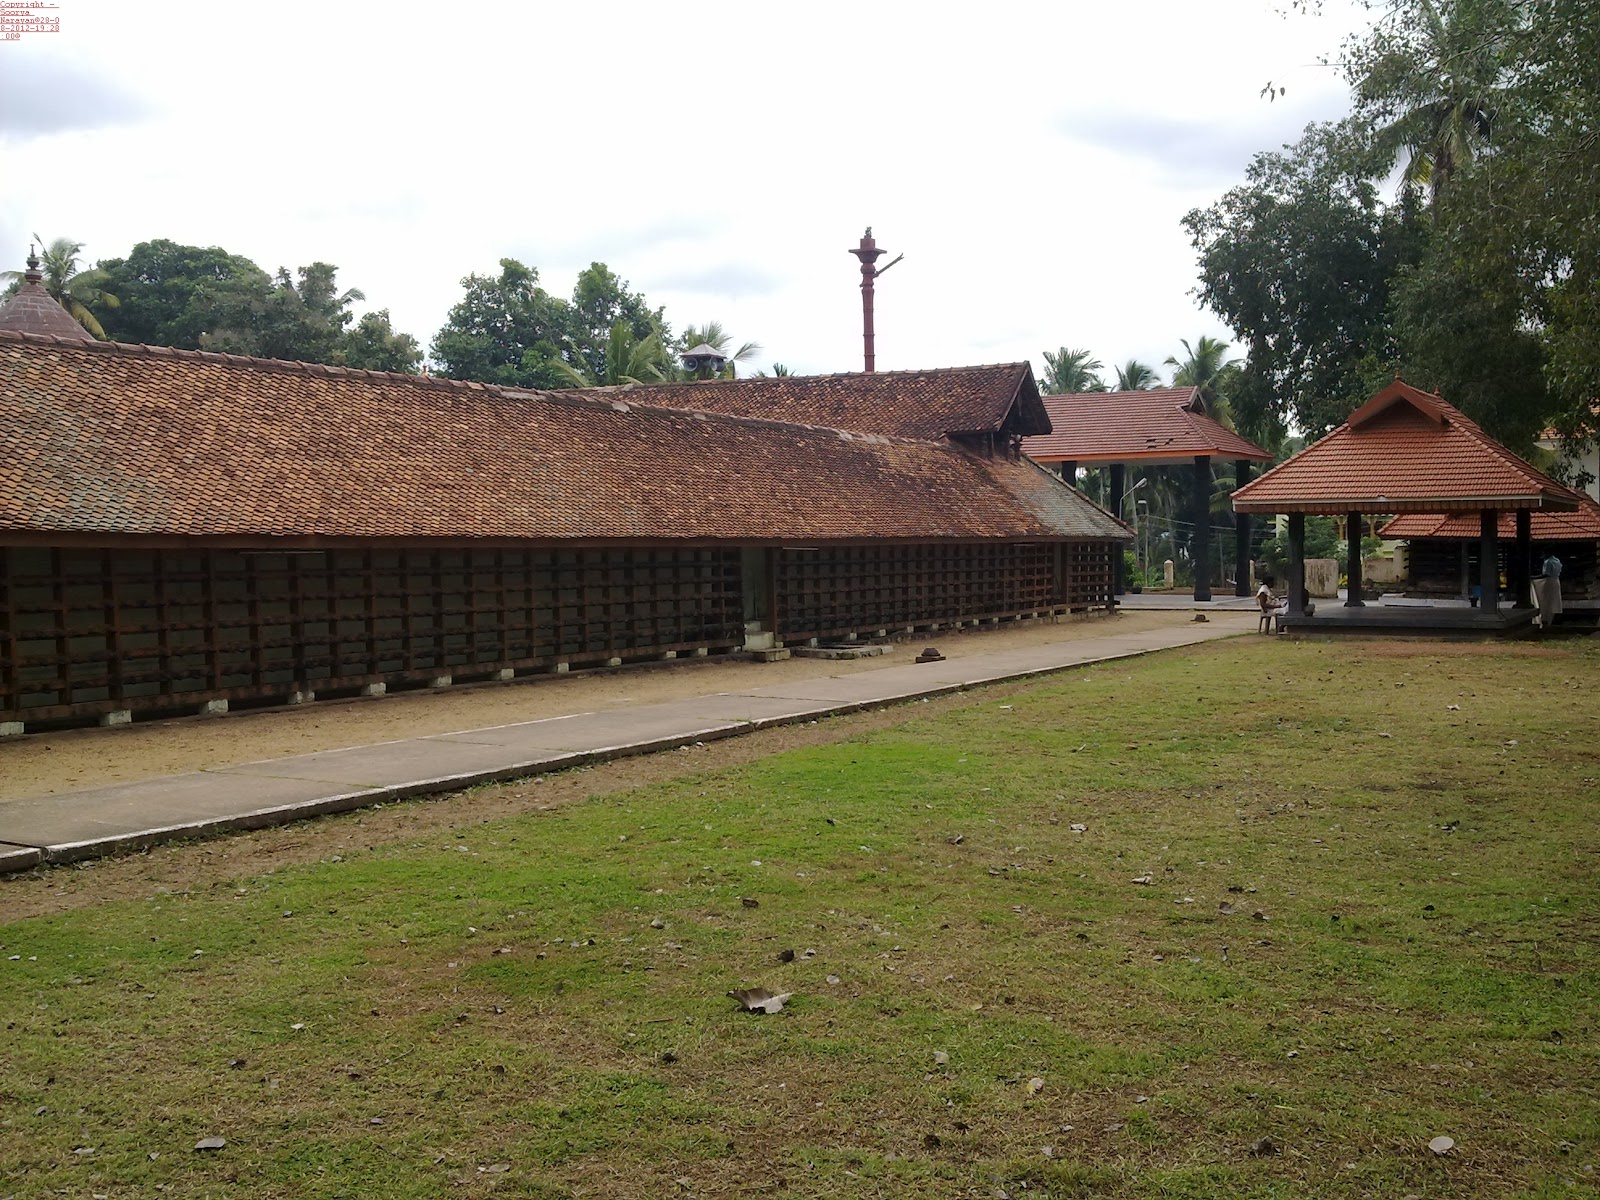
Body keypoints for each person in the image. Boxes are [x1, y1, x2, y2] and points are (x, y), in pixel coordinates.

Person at [1536, 552, 1564, 629]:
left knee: (1545, 601)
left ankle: (1545, 620)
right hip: (1556, 581)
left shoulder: (1548, 562)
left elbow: (1546, 574)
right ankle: (1550, 620)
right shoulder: (1557, 560)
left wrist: (1534, 577)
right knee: (1553, 601)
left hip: (1548, 582)